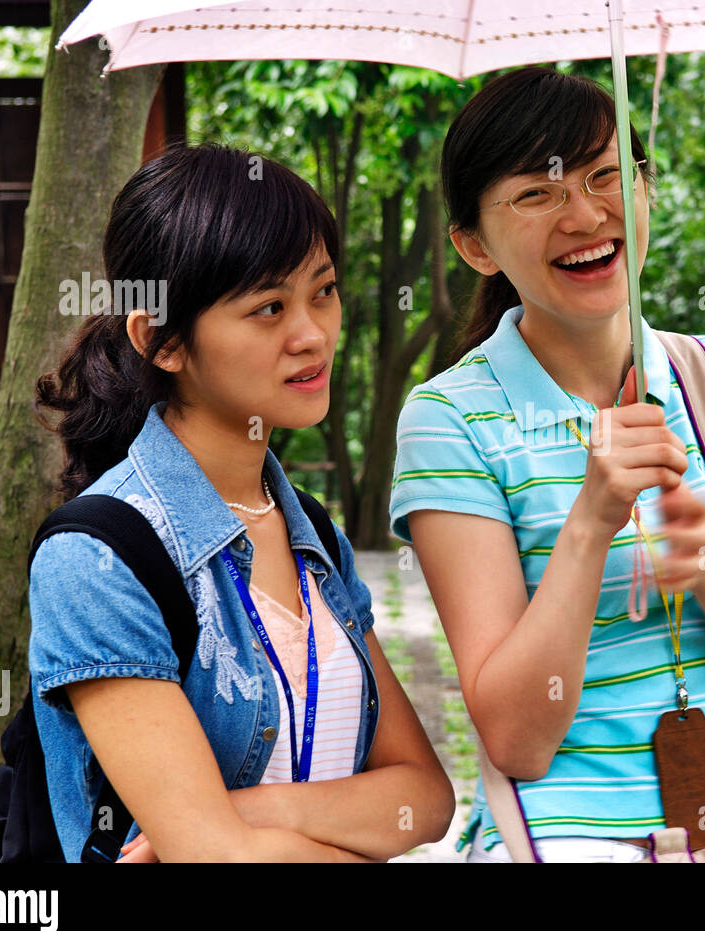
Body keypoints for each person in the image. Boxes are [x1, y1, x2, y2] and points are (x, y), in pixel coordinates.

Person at [389, 67, 705, 862]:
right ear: (474, 245)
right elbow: (517, 740)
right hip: (559, 842)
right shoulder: (449, 420)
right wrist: (590, 522)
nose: (585, 214)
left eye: (605, 174)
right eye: (536, 194)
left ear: (647, 190)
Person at [30, 144, 454, 862]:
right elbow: (217, 856)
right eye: (268, 307)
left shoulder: (311, 532)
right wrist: (227, 832)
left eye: (323, 290)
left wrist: (249, 810)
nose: (312, 333)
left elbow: (425, 796)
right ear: (161, 340)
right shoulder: (95, 559)